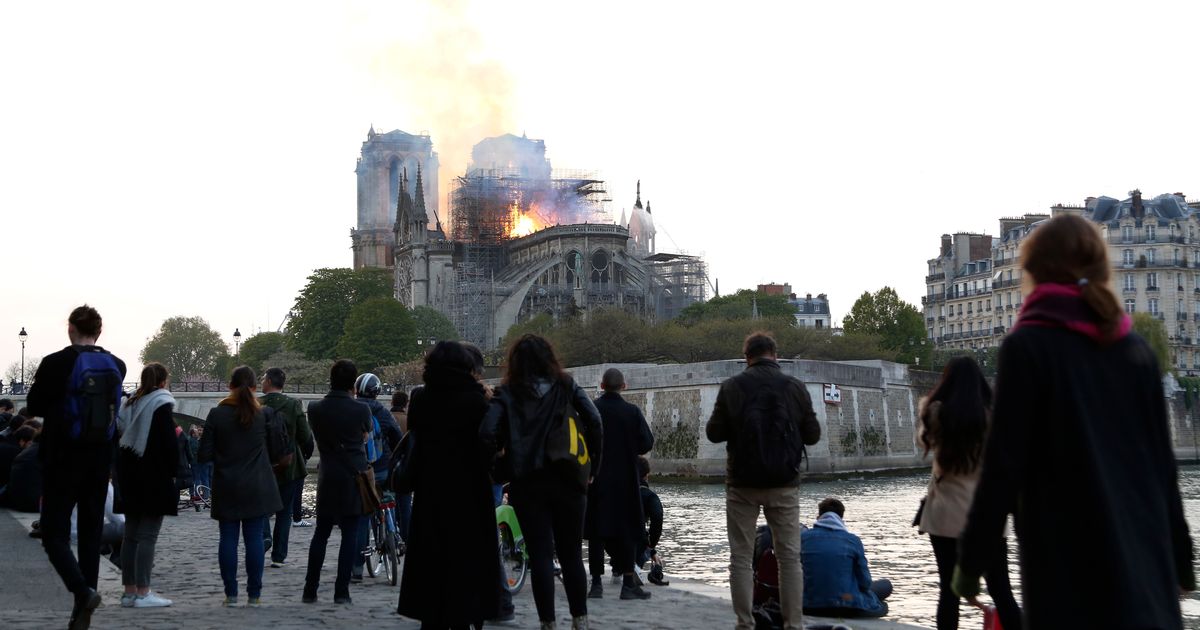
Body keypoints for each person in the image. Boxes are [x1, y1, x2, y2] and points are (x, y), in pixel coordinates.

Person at [955, 214, 1195, 628]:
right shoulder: (1136, 350)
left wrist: (971, 561)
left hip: (1065, 564)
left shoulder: (1027, 345)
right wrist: (1182, 559)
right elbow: (1163, 467)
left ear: (1033, 270)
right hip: (1144, 562)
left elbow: (1003, 466)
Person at [481, 334, 604, 630]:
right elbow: (595, 421)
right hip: (569, 479)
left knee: (540, 556)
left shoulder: (507, 392)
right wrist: (592, 467)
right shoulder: (566, 385)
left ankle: (547, 623)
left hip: (527, 482)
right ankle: (580, 620)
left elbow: (486, 433)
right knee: (571, 554)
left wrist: (498, 465)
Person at [706, 331, 821, 630]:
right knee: (789, 558)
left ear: (747, 357)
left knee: (741, 557)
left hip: (742, 483)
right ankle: (793, 624)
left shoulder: (732, 386)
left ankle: (745, 623)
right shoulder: (795, 387)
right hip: (784, 483)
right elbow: (813, 435)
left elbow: (713, 433)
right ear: (775, 355)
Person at [26, 305, 126, 630]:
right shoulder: (117, 365)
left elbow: (34, 405)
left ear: (70, 328)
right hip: (99, 460)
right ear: (99, 331)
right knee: (90, 535)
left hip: (62, 458)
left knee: (54, 533)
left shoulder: (55, 363)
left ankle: (82, 592)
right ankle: (82, 609)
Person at [397, 342, 500, 628]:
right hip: (471, 492)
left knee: (432, 563)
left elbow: (417, 436)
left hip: (431, 491)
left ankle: (432, 615)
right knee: (468, 563)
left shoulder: (421, 398)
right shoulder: (478, 402)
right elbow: (490, 445)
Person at [917, 357, 1021, 630]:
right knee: (1001, 589)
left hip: (944, 512)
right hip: (987, 513)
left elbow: (923, 440)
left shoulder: (936, 413)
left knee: (947, 591)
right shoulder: (995, 417)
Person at [198, 366, 283, 607]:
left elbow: (204, 455)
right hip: (256, 485)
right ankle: (254, 595)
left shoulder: (217, 414)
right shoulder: (263, 415)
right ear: (255, 388)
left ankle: (231, 594)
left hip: (227, 484)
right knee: (254, 539)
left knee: (228, 539)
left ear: (230, 386)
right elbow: (277, 451)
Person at [303, 359, 371, 605]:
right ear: (353, 384)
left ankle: (310, 589)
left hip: (328, 474)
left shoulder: (314, 408)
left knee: (321, 533)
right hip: (353, 477)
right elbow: (365, 435)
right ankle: (341, 591)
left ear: (330, 379)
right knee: (350, 534)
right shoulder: (361, 409)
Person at [114, 362, 179, 608]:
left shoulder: (129, 403)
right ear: (163, 381)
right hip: (153, 476)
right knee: (148, 536)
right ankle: (143, 592)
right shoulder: (161, 403)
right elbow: (169, 444)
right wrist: (175, 473)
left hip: (129, 474)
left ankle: (129, 591)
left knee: (130, 536)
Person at [586, 368, 654, 601]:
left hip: (597, 477)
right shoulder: (632, 412)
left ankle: (596, 584)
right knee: (627, 530)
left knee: (596, 532)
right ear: (624, 386)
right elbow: (646, 443)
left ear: (602, 386)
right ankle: (628, 584)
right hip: (626, 478)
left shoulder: (592, 409)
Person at [800, 498, 891, 618]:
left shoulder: (804, 538)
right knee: (885, 587)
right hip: (845, 604)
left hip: (808, 604)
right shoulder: (853, 540)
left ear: (819, 517)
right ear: (841, 518)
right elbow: (865, 583)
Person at [351, 372, 402, 582]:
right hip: (383, 468)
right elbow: (398, 438)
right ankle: (393, 532)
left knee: (363, 515)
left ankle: (357, 568)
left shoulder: (352, 410)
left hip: (361, 470)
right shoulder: (383, 412)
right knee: (388, 499)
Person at [259, 367, 313, 569]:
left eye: (263, 379)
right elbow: (305, 436)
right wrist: (304, 454)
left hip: (263, 464)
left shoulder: (257, 404)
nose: (261, 382)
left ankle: (264, 536)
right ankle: (279, 556)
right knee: (285, 512)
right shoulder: (293, 404)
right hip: (289, 464)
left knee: (261, 507)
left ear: (269, 381)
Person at [636, 456, 668, 586]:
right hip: (634, 543)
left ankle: (616, 569)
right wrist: (651, 546)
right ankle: (634, 566)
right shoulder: (649, 496)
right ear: (646, 476)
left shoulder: (618, 492)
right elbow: (657, 518)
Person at [390, 390, 412, 545]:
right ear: (406, 404)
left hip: (388, 468)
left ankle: (391, 533)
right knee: (405, 506)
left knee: (389, 503)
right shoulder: (409, 420)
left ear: (392, 402)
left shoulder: (386, 417)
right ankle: (406, 538)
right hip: (405, 468)